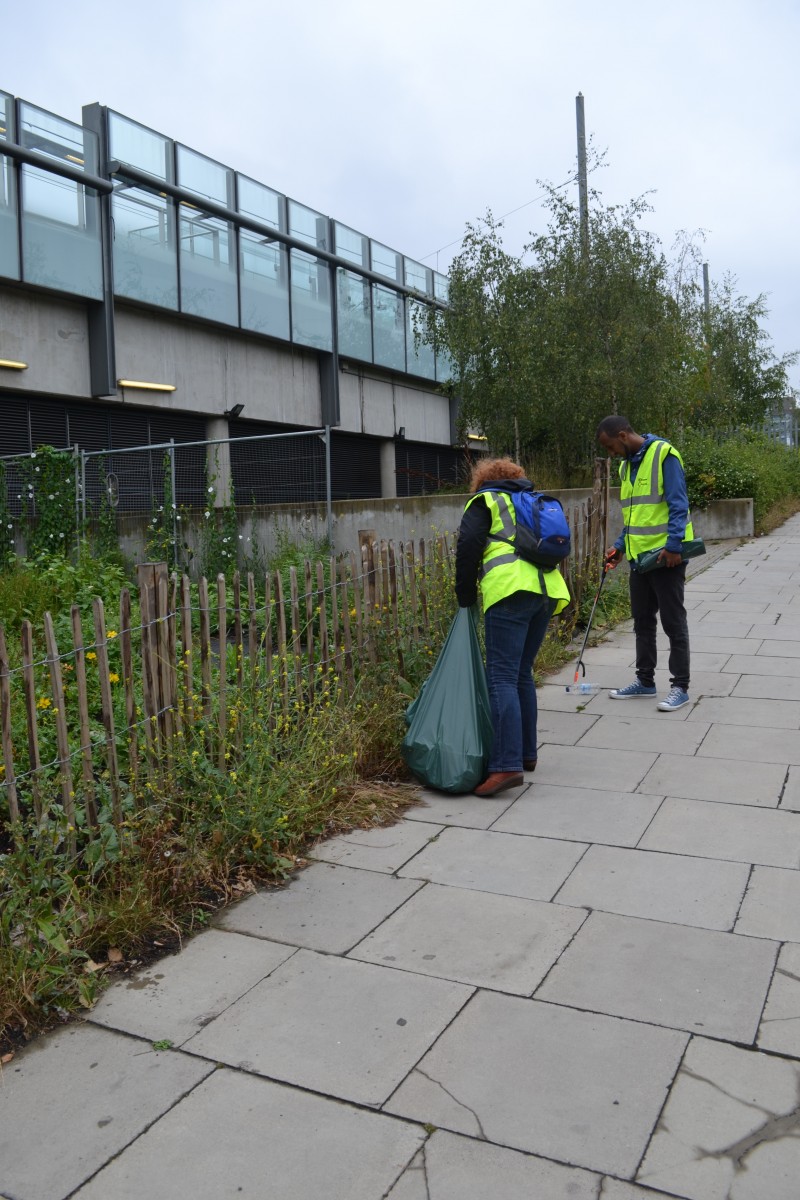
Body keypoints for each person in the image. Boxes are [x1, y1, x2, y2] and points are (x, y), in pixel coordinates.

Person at [455, 456, 570, 797]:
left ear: (481, 481)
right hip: (547, 592)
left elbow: (468, 547)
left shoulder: (485, 500)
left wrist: (464, 595)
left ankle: (505, 766)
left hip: (510, 591)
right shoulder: (532, 501)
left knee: (501, 677)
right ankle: (526, 753)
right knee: (521, 673)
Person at [596, 415, 693, 711]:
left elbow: (679, 504)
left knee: (673, 622)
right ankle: (645, 682)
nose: (611, 454)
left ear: (623, 436)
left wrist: (675, 546)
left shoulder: (664, 454)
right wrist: (619, 547)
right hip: (640, 558)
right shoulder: (627, 467)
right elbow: (633, 518)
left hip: (666, 557)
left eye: (611, 447)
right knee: (642, 622)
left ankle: (680, 687)